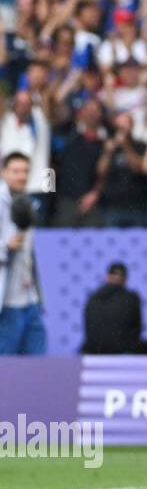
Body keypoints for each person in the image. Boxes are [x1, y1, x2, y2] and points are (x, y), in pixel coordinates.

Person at [0, 152, 45, 355]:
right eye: (16, 171)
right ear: (3, 173)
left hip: (29, 297)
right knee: (6, 364)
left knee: (37, 362)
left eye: (26, 171)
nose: (22, 176)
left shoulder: (28, 203)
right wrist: (4, 246)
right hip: (7, 300)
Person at [80, 262, 147, 354]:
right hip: (122, 348)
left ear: (107, 276)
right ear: (125, 279)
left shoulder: (93, 298)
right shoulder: (131, 298)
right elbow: (137, 330)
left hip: (93, 349)